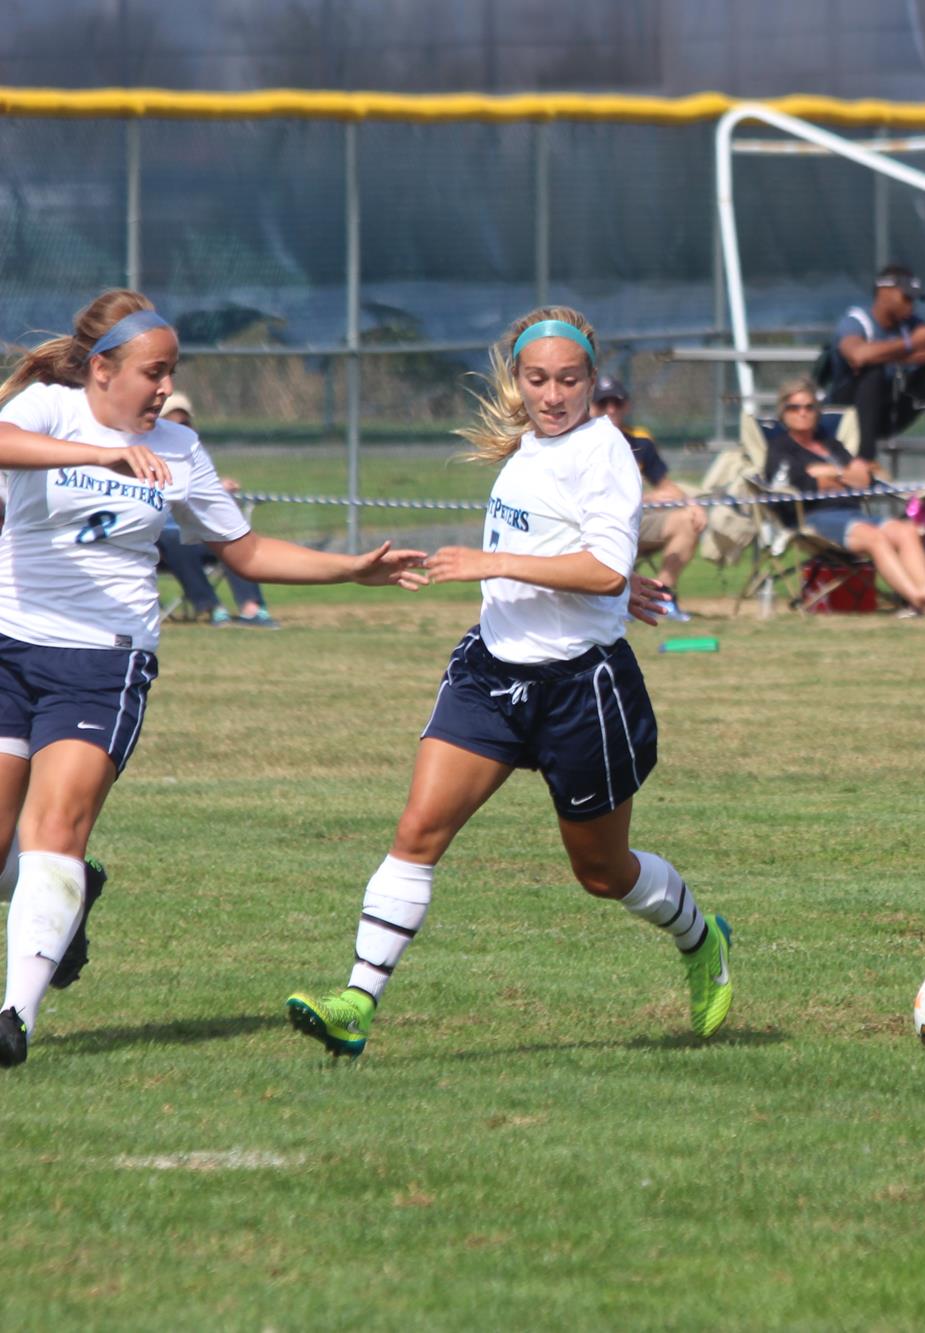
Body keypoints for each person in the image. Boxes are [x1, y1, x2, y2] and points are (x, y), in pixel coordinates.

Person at [283, 306, 735, 1060]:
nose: (552, 395)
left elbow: (603, 566)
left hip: (581, 691)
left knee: (602, 872)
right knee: (417, 832)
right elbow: (577, 552)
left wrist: (514, 567)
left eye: (568, 380)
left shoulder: (607, 453)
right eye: (536, 380)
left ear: (593, 379)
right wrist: (609, 586)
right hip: (492, 674)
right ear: (516, 378)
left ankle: (701, 937)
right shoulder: (528, 442)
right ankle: (357, 1000)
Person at [0, 288, 427, 1067]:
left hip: (105, 661)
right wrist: (98, 453)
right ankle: (64, 896)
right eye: (153, 372)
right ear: (100, 369)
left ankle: (12, 1020)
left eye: (172, 371)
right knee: (10, 851)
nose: (165, 388)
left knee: (53, 829)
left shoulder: (181, 451)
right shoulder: (50, 409)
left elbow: (248, 552)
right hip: (8, 645)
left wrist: (350, 570)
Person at [763, 379, 925, 617]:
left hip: (852, 513)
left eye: (809, 407)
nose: (803, 413)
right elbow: (794, 486)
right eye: (794, 408)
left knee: (905, 531)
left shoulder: (829, 444)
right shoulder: (780, 449)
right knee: (875, 538)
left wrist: (828, 473)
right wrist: (838, 476)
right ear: (783, 413)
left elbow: (864, 478)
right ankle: (916, 598)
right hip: (813, 518)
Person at [827, 265, 925, 482]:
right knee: (872, 370)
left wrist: (895, 352)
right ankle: (866, 461)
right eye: (906, 298)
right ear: (884, 292)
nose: (911, 305)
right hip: (849, 417)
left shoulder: (909, 323)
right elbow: (858, 355)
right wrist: (911, 344)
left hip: (888, 413)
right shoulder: (856, 321)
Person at [154, 391, 280, 626]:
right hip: (162, 542)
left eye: (186, 422)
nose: (183, 428)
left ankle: (251, 608)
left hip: (199, 537)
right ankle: (211, 607)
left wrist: (218, 491)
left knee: (232, 543)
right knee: (176, 540)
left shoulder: (194, 453)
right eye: (173, 422)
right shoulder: (145, 452)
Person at [591, 375, 704, 623]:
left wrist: (691, 503)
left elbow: (668, 487)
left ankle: (659, 597)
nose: (610, 410)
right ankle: (611, 601)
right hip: (589, 529)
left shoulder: (640, 440)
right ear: (589, 406)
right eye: (602, 403)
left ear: (627, 406)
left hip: (633, 525)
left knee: (688, 519)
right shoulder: (577, 441)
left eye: (617, 403)